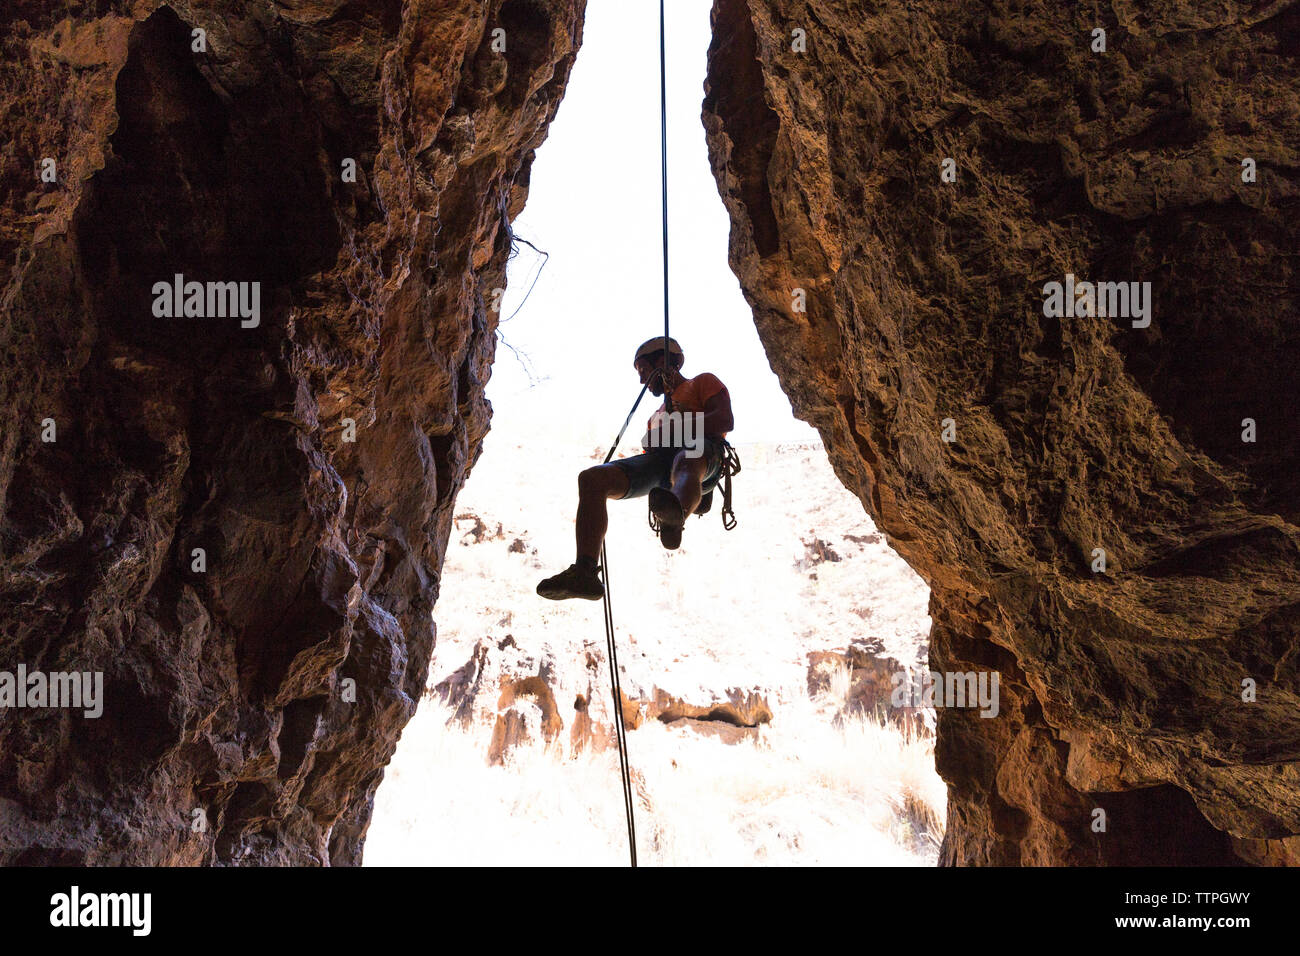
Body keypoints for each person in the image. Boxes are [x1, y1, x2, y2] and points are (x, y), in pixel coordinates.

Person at [536, 336, 735, 601]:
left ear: (663, 361)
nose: (642, 380)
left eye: (643, 370)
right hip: (664, 463)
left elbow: (724, 419)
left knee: (685, 459)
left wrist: (680, 427)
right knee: (592, 479)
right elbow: (651, 451)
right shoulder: (656, 416)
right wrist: (663, 435)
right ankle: (584, 571)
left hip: (702, 450)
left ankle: (676, 514)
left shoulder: (702, 382)